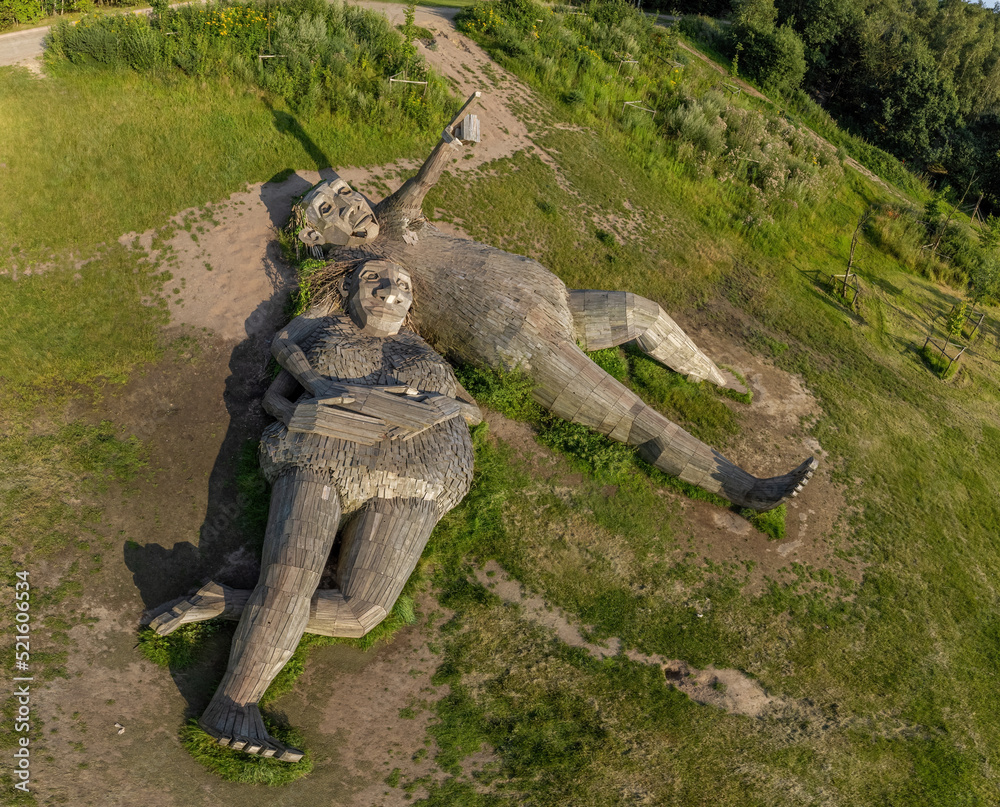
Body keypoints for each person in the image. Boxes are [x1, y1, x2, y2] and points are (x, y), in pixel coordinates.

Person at [296, 94, 817, 510]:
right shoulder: (353, 276)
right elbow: (345, 327)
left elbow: (423, 179)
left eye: (343, 192)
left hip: (552, 301)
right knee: (632, 414)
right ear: (318, 239)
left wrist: (449, 141)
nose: (348, 203)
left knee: (641, 311)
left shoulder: (391, 216)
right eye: (330, 208)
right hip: (521, 345)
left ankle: (717, 379)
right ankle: (747, 489)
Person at [151, 260, 479, 760]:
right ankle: (232, 706)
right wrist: (310, 405)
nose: (391, 291)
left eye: (403, 286)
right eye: (376, 280)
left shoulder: (424, 351)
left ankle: (222, 600)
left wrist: (441, 406)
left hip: (422, 475)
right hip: (323, 456)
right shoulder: (325, 333)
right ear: (348, 288)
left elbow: (471, 408)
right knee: (289, 581)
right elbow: (276, 398)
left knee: (361, 613)